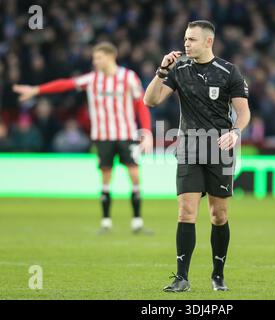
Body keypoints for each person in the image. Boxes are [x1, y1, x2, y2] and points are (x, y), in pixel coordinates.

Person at [144, 20, 250, 292]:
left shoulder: (229, 72)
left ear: (208, 42)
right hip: (189, 147)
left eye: (191, 39)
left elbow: (244, 112)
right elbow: (150, 101)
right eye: (185, 38)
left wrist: (235, 132)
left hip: (220, 150)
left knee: (219, 215)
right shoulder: (179, 69)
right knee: (186, 211)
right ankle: (182, 278)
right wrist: (161, 70)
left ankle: (217, 274)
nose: (186, 43)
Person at [13, 42, 153, 234]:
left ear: (111, 56)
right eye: (94, 58)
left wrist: (145, 132)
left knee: (134, 176)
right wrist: (37, 90)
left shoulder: (128, 78)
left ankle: (137, 222)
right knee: (105, 178)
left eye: (98, 58)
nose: (95, 61)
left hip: (126, 135)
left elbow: (141, 105)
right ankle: (106, 223)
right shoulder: (92, 79)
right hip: (102, 136)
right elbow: (64, 85)